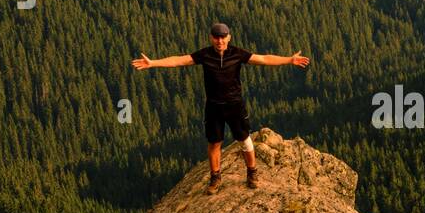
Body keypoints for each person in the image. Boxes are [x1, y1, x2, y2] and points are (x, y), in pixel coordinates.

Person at [131, 22, 309, 191]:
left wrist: (289, 60)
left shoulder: (237, 54)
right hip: (214, 107)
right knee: (214, 142)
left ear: (229, 38)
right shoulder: (205, 55)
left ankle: (252, 172)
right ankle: (215, 177)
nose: (220, 41)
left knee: (244, 139)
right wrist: (153, 63)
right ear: (211, 38)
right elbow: (179, 60)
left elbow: (263, 59)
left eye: (223, 37)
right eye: (216, 37)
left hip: (234, 105)